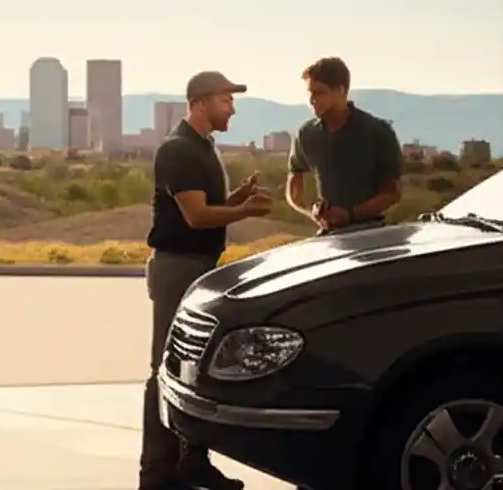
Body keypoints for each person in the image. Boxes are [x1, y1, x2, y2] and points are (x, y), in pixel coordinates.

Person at [139, 71, 273, 490]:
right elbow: (195, 217)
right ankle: (158, 471)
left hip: (199, 264)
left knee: (195, 370)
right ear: (200, 103)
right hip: (178, 265)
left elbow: (206, 207)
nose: (232, 107)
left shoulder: (203, 147)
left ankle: (192, 464)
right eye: (225, 100)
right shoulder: (177, 150)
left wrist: (234, 202)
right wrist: (246, 213)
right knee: (165, 368)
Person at [285, 57, 403, 235]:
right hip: (328, 235)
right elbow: (294, 186)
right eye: (310, 93)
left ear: (340, 90)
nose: (312, 100)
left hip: (370, 232)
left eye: (319, 93)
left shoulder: (376, 131)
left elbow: (392, 193)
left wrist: (351, 214)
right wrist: (313, 213)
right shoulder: (307, 134)